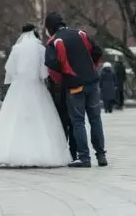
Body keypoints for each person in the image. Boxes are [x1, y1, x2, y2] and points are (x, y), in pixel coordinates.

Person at [0, 24, 72, 167]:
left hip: (18, 88)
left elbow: (10, 70)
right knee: (39, 118)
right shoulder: (40, 49)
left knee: (15, 119)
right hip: (36, 87)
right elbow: (43, 73)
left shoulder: (16, 49)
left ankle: (11, 152)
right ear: (34, 33)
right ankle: (42, 153)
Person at [44, 12, 107, 168]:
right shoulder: (80, 34)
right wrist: (90, 68)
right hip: (92, 82)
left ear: (50, 27)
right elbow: (97, 51)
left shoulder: (54, 41)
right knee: (95, 119)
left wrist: (64, 79)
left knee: (78, 122)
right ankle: (101, 156)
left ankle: (84, 158)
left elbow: (51, 64)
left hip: (74, 85)